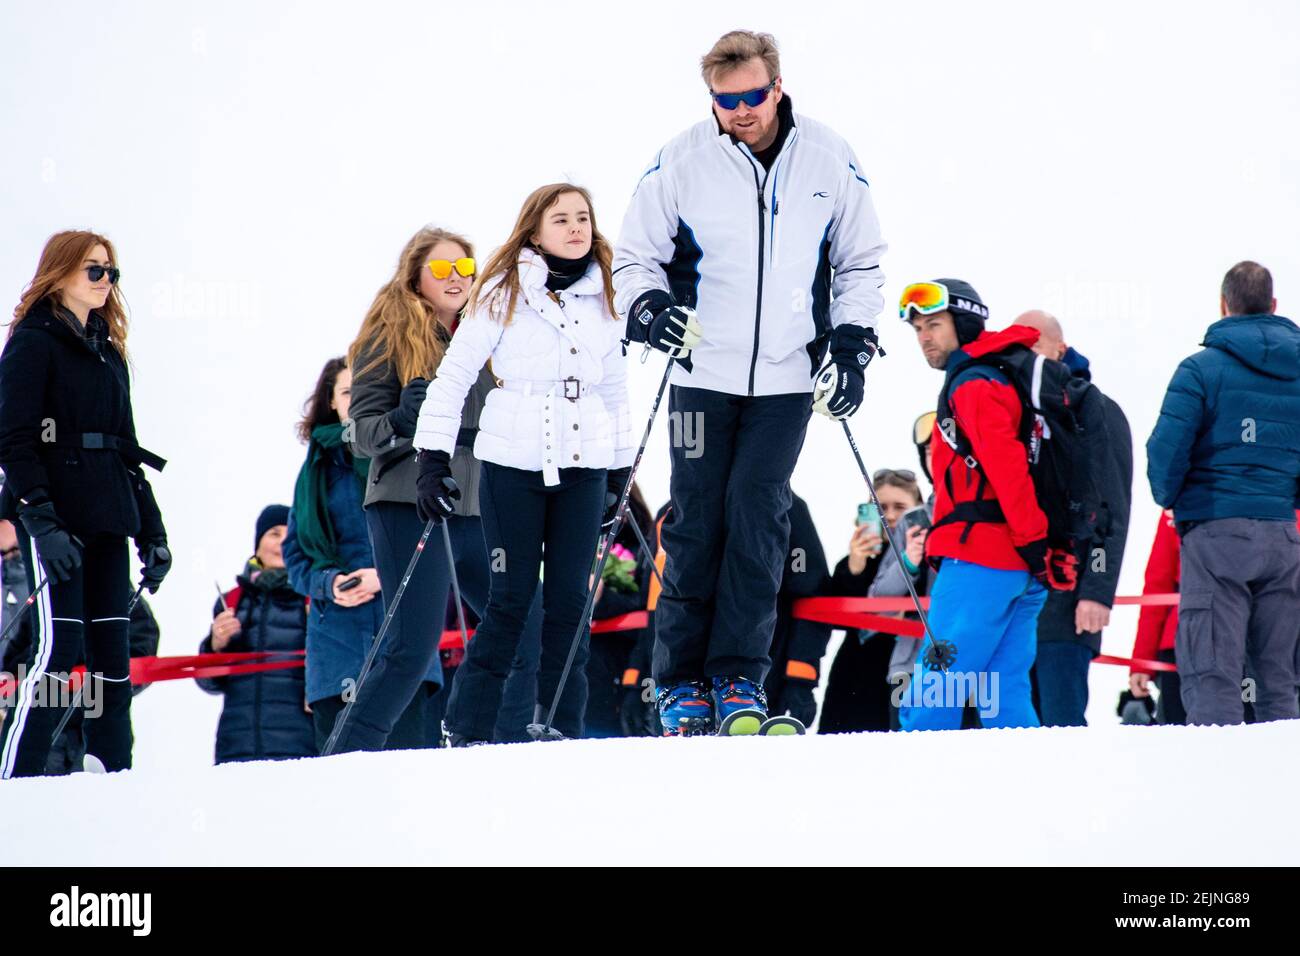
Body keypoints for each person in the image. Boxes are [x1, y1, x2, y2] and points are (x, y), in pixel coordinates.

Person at [612, 29, 887, 735]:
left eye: (753, 96)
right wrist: (650, 310)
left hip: (788, 378)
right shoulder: (682, 161)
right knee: (697, 519)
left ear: (778, 86)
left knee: (758, 516)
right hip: (702, 371)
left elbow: (860, 262)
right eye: (725, 100)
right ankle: (681, 684)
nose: (740, 111)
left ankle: (738, 677)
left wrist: (851, 346)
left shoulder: (827, 156)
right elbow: (635, 259)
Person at [414, 183, 633, 744]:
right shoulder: (500, 291)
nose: (576, 228)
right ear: (534, 231)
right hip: (513, 465)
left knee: (570, 603)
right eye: (561, 219)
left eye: (583, 217)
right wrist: (432, 460)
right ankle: (468, 727)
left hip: (584, 466)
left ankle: (561, 726)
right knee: (510, 601)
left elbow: (614, 390)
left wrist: (620, 475)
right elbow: (453, 378)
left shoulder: (606, 294)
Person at [331, 227, 539, 753]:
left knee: (526, 623)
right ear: (415, 276)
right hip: (409, 502)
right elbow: (360, 435)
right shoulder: (388, 337)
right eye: (443, 268)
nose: (457, 278)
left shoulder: (489, 335)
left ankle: (501, 740)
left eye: (466, 268)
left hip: (480, 503)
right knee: (412, 647)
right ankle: (347, 755)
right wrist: (401, 420)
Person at [0, 231, 170, 778]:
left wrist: (153, 534)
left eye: (111, 272)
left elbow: (127, 448)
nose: (105, 280)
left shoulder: (108, 351)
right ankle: (17, 780)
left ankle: (111, 777)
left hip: (109, 517)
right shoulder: (33, 341)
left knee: (112, 657)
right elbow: (13, 440)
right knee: (59, 648)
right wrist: (40, 519)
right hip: (56, 517)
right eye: (94, 269)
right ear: (61, 272)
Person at [899, 279, 1076, 731]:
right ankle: (1023, 773)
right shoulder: (1000, 376)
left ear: (963, 323)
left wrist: (1032, 539)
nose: (924, 338)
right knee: (1004, 692)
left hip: (980, 559)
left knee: (937, 687)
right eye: (918, 329)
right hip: (1021, 565)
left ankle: (914, 771)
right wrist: (1037, 552)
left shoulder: (975, 384)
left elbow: (1007, 470)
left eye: (934, 325)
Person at [1146, 261, 1300, 726]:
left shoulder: (1199, 369)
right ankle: (1284, 769)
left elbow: (1165, 453)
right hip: (1283, 536)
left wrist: (1176, 500)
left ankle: (1216, 770)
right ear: (1273, 305)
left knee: (1213, 674)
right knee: (1280, 678)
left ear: (1223, 304)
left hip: (1216, 534)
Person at [282, 358, 434, 752]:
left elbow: (438, 540)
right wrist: (329, 584)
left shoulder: (410, 455)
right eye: (348, 391)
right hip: (335, 652)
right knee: (340, 778)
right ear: (331, 401)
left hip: (403, 642)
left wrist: (385, 575)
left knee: (409, 774)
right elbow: (295, 560)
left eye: (365, 390)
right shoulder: (314, 471)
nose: (357, 398)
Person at [1016, 310, 1133, 727]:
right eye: (1018, 348)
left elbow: (1113, 506)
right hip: (1013, 603)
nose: (1025, 357)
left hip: (1067, 609)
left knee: (1060, 726)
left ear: (1059, 349)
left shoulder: (1096, 408)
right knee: (1006, 732)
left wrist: (1097, 591)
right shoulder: (1011, 409)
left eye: (1034, 345)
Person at [199, 506, 315, 764]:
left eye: (291, 534)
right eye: (274, 533)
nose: (282, 541)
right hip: (236, 748)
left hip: (301, 751)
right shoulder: (232, 601)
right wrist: (215, 646)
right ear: (258, 542)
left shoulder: (316, 599)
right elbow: (208, 684)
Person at [2, 588, 159, 774]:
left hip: (99, 728)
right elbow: (15, 659)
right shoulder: (47, 598)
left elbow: (142, 660)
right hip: (49, 729)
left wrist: (98, 669)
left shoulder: (123, 596)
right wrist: (56, 663)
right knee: (39, 788)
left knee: (101, 787)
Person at [820, 470, 930, 733]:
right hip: (856, 672)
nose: (889, 515)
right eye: (881, 507)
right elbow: (835, 614)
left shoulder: (930, 556)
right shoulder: (859, 558)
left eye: (900, 507)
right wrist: (855, 565)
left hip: (906, 669)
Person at [763, 491, 833, 730]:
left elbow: (811, 598)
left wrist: (800, 678)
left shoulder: (788, 508)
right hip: (684, 688)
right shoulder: (677, 510)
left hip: (766, 677)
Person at [1128, 510, 1185, 725]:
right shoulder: (1174, 509)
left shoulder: (1177, 506)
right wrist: (1142, 662)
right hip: (1179, 651)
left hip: (1252, 651)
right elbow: (1158, 588)